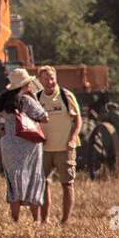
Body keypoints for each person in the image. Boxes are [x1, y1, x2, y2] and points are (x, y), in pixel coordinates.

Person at [0, 68, 49, 223]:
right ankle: (35, 220)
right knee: (32, 179)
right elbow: (44, 118)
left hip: (9, 144)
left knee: (14, 180)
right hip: (29, 145)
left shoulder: (2, 101)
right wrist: (35, 100)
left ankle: (15, 219)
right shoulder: (27, 101)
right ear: (24, 85)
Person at [35, 65, 81, 224]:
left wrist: (73, 138)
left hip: (64, 148)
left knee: (67, 184)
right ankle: (44, 219)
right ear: (40, 80)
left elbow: (78, 120)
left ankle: (65, 221)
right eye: (46, 78)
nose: (50, 81)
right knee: (43, 184)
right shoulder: (37, 98)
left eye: (52, 78)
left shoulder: (66, 96)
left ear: (56, 78)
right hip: (44, 149)